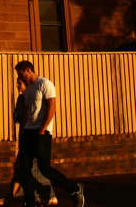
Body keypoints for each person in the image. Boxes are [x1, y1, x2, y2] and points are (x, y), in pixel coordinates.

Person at [14, 60, 86, 207]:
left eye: (21, 74)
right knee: (24, 169)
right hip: (28, 132)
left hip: (41, 132)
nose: (21, 78)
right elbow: (29, 113)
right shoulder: (28, 90)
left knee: (44, 169)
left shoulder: (45, 84)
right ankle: (30, 201)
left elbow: (52, 107)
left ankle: (74, 189)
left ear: (28, 70)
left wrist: (42, 128)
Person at [0, 77, 57, 206]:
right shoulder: (21, 99)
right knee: (22, 169)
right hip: (24, 137)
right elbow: (19, 119)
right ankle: (18, 198)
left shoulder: (33, 97)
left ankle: (49, 196)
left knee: (33, 169)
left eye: (19, 83)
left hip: (33, 138)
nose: (17, 85)